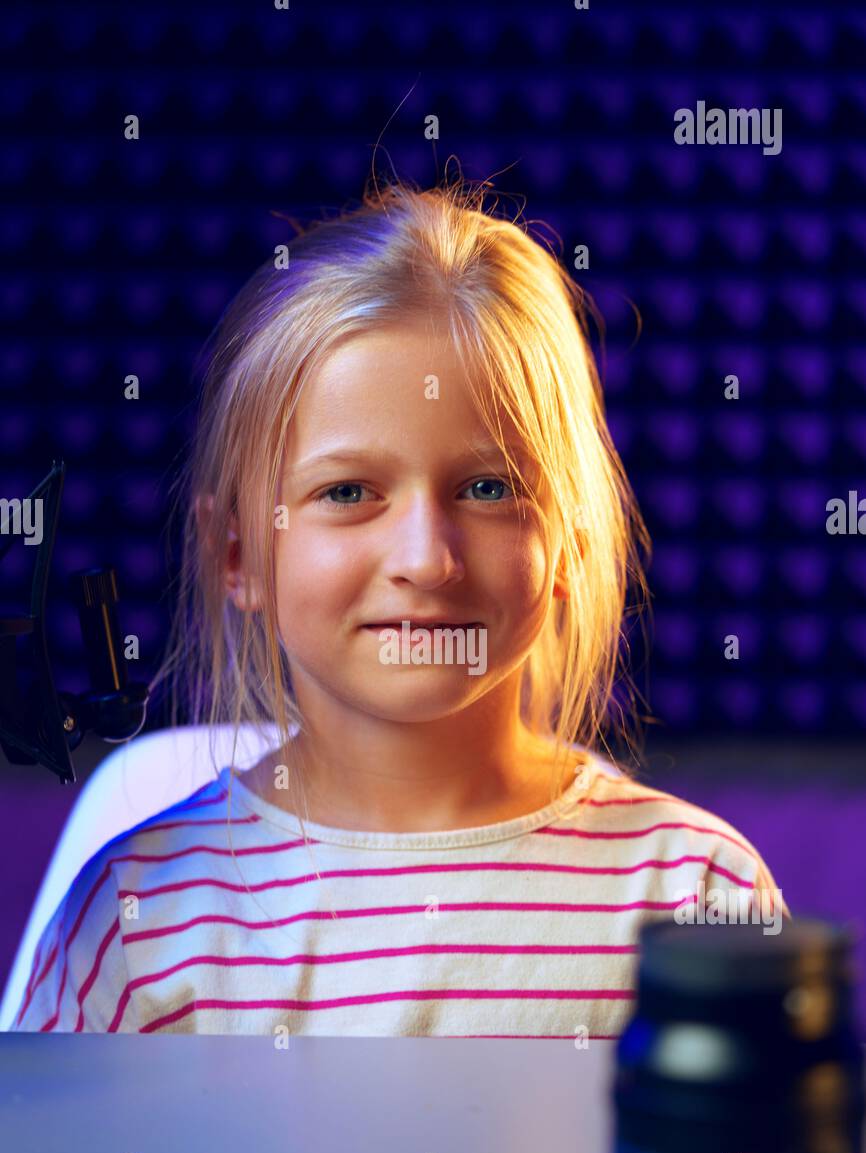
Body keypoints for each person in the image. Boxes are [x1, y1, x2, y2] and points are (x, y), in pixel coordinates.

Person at [11, 175, 786, 1036]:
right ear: (238, 554)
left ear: (567, 540)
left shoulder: (699, 897)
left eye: (488, 488)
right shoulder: (137, 922)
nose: (426, 559)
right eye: (348, 492)